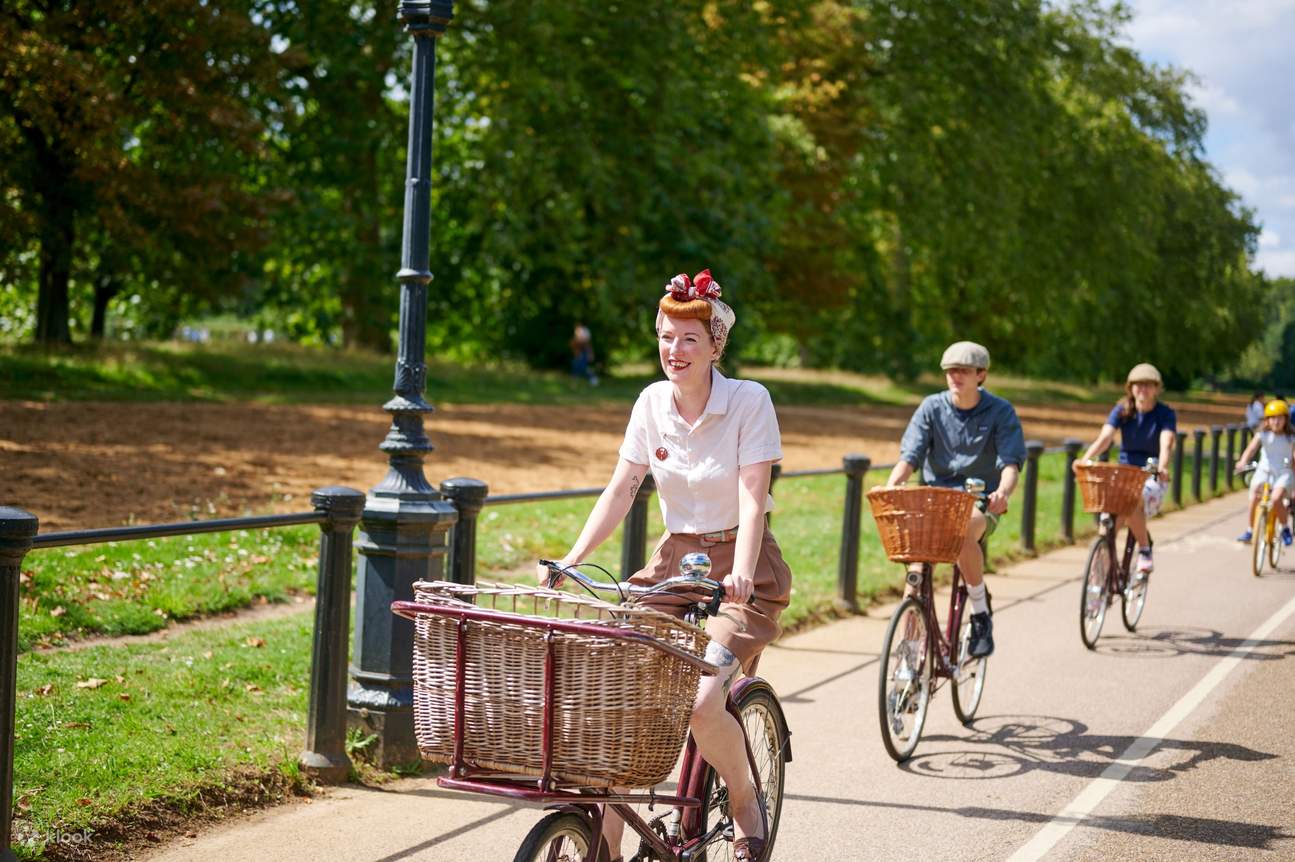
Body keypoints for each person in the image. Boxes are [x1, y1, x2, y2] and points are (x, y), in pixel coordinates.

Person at [538, 269, 788, 862]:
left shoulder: (748, 401)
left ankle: (748, 801)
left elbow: (754, 497)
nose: (674, 351)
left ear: (714, 347)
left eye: (688, 340)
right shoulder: (650, 402)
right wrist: (572, 559)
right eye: (665, 336)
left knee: (704, 701)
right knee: (610, 683)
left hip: (743, 568)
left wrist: (743, 573)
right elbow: (622, 488)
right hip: (674, 562)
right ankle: (608, 842)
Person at [883, 341, 1026, 659]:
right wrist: (893, 485)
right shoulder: (932, 408)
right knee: (915, 574)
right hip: (933, 502)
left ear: (982, 374)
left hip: (978, 501)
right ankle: (907, 657)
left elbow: (1011, 463)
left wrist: (1003, 492)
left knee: (961, 533)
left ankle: (979, 613)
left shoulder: (1000, 411)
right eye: (950, 370)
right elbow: (910, 456)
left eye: (963, 370)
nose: (955, 376)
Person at [1074, 363, 1177, 576]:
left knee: (1132, 500)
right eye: (1138, 385)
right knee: (1108, 522)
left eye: (1148, 385)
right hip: (1123, 474)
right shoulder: (1122, 409)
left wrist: (1163, 466)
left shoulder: (1164, 414)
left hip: (1150, 476)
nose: (1143, 390)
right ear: (1130, 388)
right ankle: (1101, 575)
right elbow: (1106, 437)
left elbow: (1166, 442)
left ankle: (1145, 550)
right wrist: (1085, 458)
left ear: (1157, 389)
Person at [1235, 399, 1295, 545]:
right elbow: (1251, 449)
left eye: (1280, 418)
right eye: (1272, 418)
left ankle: (1284, 528)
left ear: (1286, 420)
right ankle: (1250, 530)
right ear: (1267, 420)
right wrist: (1242, 461)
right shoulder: (1263, 435)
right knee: (1255, 494)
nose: (1276, 422)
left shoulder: (1290, 438)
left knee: (1275, 498)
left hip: (1283, 473)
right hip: (1264, 471)